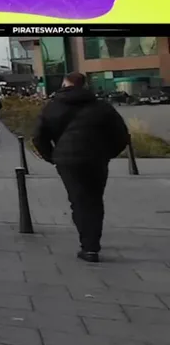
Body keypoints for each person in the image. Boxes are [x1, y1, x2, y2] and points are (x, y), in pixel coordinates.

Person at [32, 72, 130, 262]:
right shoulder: (102, 107)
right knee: (94, 199)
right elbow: (121, 135)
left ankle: (89, 245)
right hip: (96, 158)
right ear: (84, 85)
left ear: (64, 84)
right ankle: (92, 242)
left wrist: (52, 157)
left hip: (68, 161)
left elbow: (38, 137)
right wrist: (108, 153)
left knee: (78, 200)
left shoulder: (52, 107)